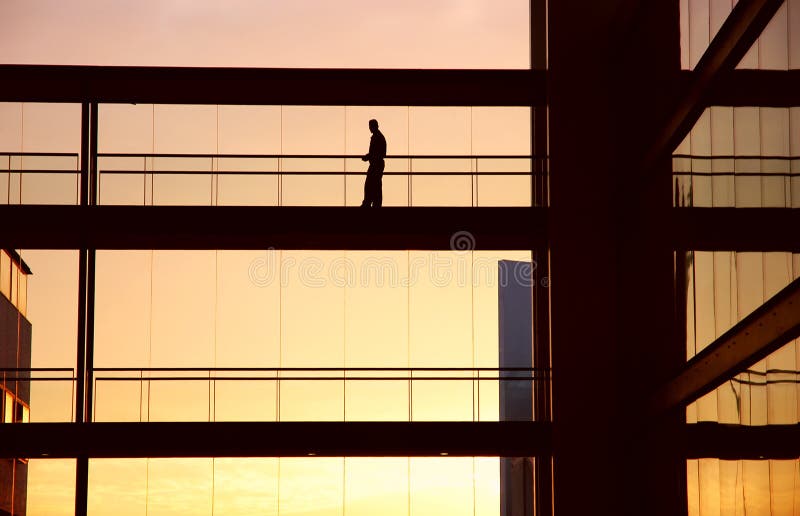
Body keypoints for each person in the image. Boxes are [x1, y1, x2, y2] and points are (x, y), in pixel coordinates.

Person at [360, 119, 386, 207]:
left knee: (370, 184)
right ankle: (374, 203)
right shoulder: (379, 136)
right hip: (377, 164)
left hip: (376, 164)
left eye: (370, 126)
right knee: (376, 184)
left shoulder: (377, 137)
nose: (369, 128)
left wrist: (368, 157)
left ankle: (368, 202)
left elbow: (377, 153)